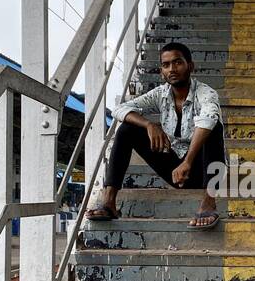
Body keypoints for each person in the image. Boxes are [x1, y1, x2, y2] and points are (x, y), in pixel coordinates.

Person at [87, 41, 225, 230]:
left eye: (177, 63)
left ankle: (209, 202)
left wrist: (187, 162)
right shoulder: (160, 94)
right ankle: (109, 202)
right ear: (161, 71)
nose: (172, 69)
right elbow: (119, 109)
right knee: (127, 129)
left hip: (202, 168)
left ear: (190, 66)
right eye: (166, 65)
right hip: (174, 169)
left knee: (213, 126)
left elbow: (208, 119)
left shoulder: (206, 93)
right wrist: (149, 124)